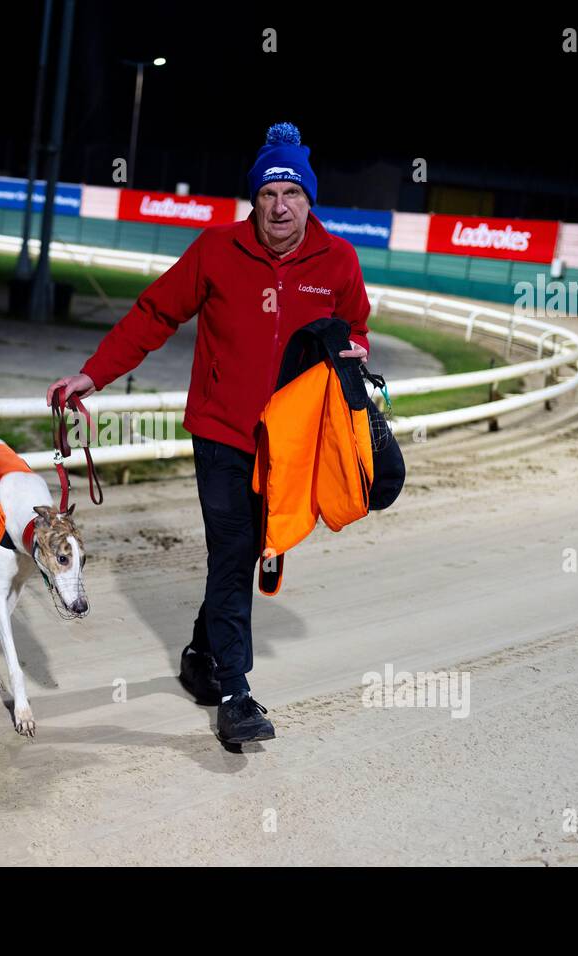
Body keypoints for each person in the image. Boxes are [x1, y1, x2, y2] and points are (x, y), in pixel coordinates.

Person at [46, 123, 371, 745]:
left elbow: (354, 327)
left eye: (293, 194)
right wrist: (94, 374)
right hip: (222, 433)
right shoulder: (217, 249)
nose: (281, 206)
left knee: (244, 553)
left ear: (309, 201)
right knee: (231, 549)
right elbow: (154, 313)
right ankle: (235, 692)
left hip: (291, 444)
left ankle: (200, 658)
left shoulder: (338, 262)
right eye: (270, 193)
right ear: (255, 199)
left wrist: (353, 356)